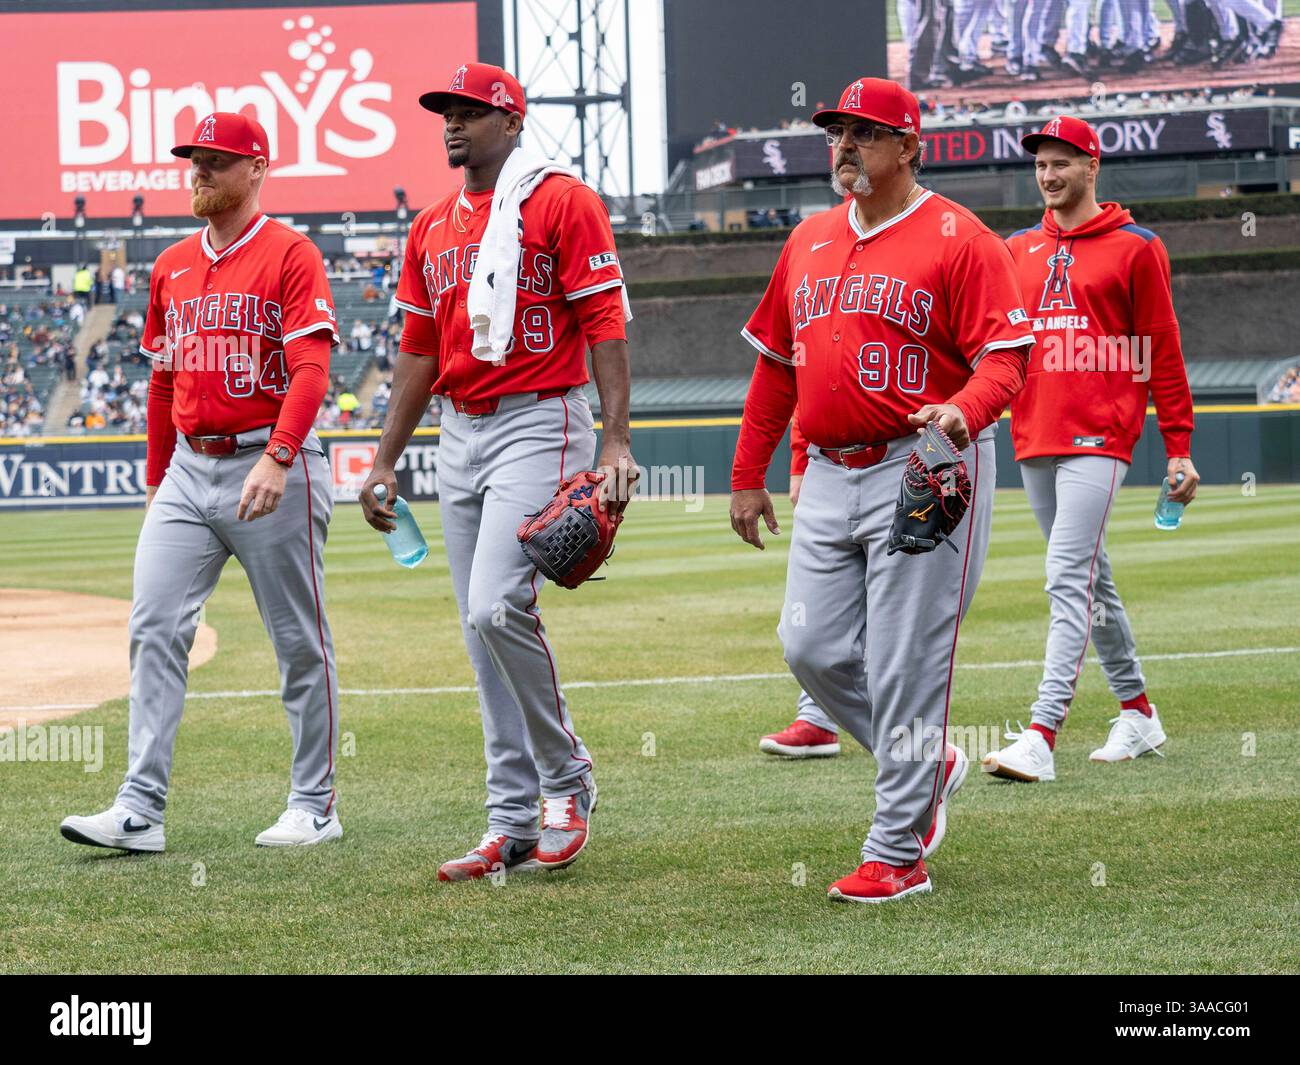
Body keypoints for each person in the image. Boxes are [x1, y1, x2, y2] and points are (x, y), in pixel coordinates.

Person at [730, 77, 1033, 903]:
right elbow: (773, 366)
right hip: (827, 470)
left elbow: (1006, 360)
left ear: (908, 146)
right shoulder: (809, 238)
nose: (844, 146)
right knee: (811, 649)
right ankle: (927, 761)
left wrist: (963, 416)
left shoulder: (960, 238)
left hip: (925, 460)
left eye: (864, 133)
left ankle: (898, 849)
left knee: (905, 665)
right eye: (837, 133)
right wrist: (747, 473)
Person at [359, 63, 635, 883]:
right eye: (445, 109)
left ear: (512, 123)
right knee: (478, 632)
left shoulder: (561, 200)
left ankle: (567, 776)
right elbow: (417, 352)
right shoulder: (432, 225)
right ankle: (510, 820)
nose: (452, 122)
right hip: (458, 428)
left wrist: (615, 440)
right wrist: (382, 457)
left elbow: (605, 320)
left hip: (538, 414)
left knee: (495, 604)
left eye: (472, 111)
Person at [59, 112, 343, 854]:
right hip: (188, 467)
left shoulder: (291, 252)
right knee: (154, 624)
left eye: (217, 161)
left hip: (272, 460)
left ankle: (314, 802)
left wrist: (280, 454)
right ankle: (140, 809)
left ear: (257, 169)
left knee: (298, 641)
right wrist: (156, 478)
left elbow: (311, 368)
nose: (201, 171)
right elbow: (161, 383)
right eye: (195, 159)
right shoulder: (172, 263)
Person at [983, 116, 1198, 782]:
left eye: (1062, 163)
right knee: (1091, 579)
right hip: (1033, 432)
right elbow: (998, 343)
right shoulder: (1016, 247)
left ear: (1091, 166)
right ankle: (1138, 711)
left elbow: (1162, 350)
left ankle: (1041, 735)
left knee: (1065, 577)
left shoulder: (1137, 246)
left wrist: (1179, 448)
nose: (1049, 175)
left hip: (1099, 435)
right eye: (1041, 164)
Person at [758, 411, 841, 759]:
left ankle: (918, 740)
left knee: (891, 610)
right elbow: (806, 392)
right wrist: (798, 463)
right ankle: (817, 718)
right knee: (808, 623)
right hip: (830, 462)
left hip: (910, 452)